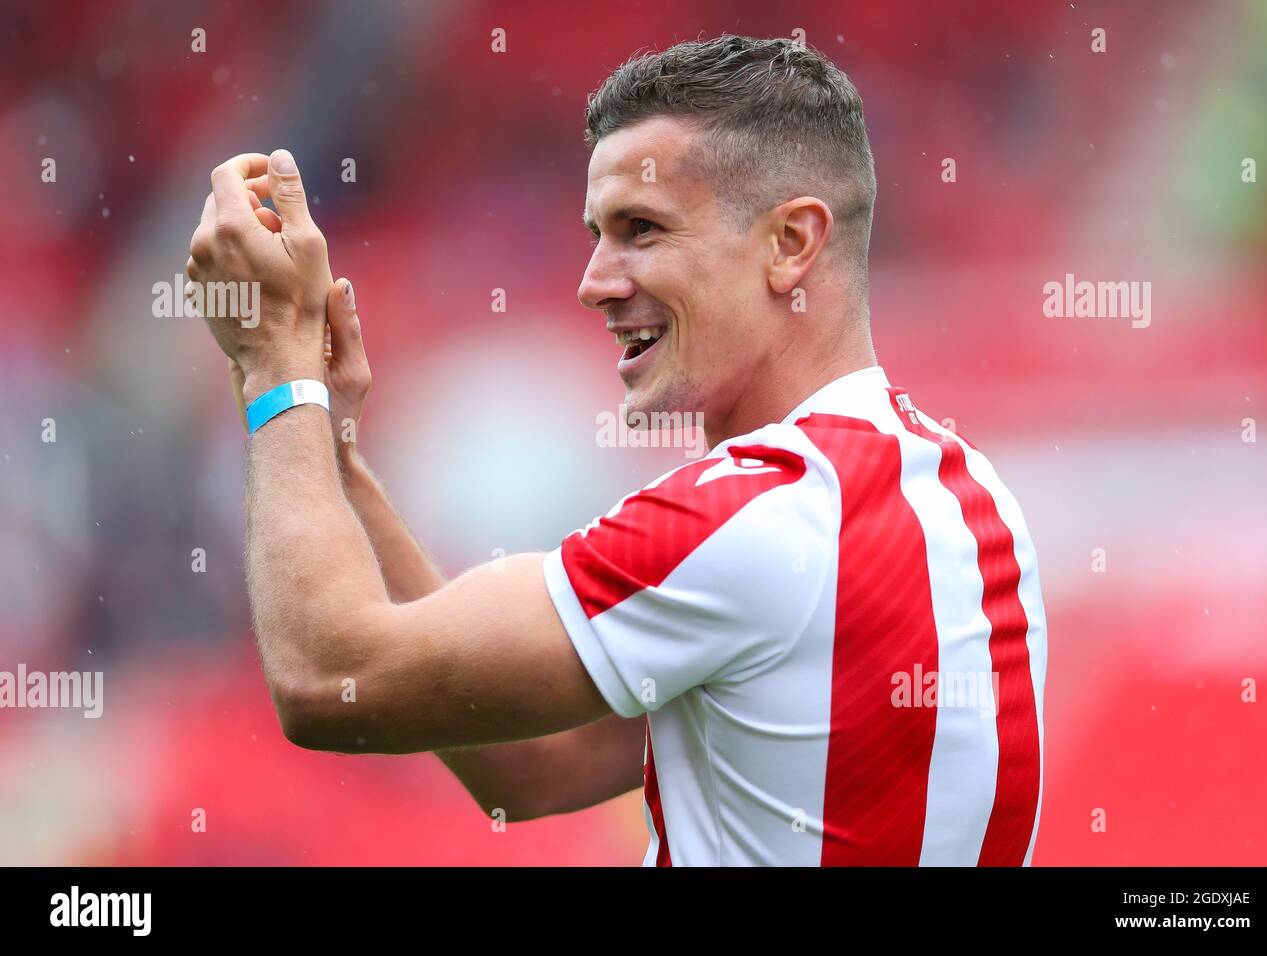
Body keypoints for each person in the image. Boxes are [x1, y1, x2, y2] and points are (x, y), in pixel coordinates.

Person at [188, 35, 1047, 866]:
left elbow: (328, 679)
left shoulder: (746, 516)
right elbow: (529, 766)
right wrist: (333, 453)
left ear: (791, 245)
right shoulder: (970, 497)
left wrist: (276, 369)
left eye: (642, 230)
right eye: (599, 233)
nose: (594, 281)